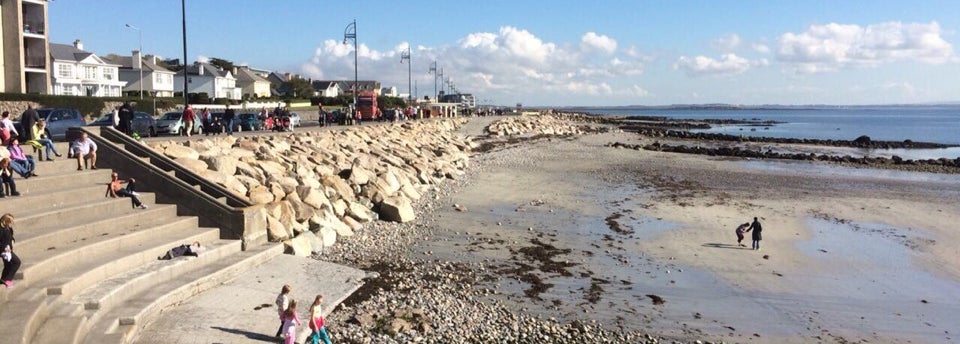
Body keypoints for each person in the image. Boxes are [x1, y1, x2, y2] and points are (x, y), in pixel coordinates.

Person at [1, 213, 21, 288]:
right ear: (5, 222)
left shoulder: (8, 228)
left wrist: (13, 240)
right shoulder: (1, 229)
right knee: (17, 262)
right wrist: (4, 248)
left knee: (8, 265)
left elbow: (10, 236)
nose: (12, 224)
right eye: (11, 222)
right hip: (3, 251)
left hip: (8, 250)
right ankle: (8, 280)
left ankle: (3, 280)